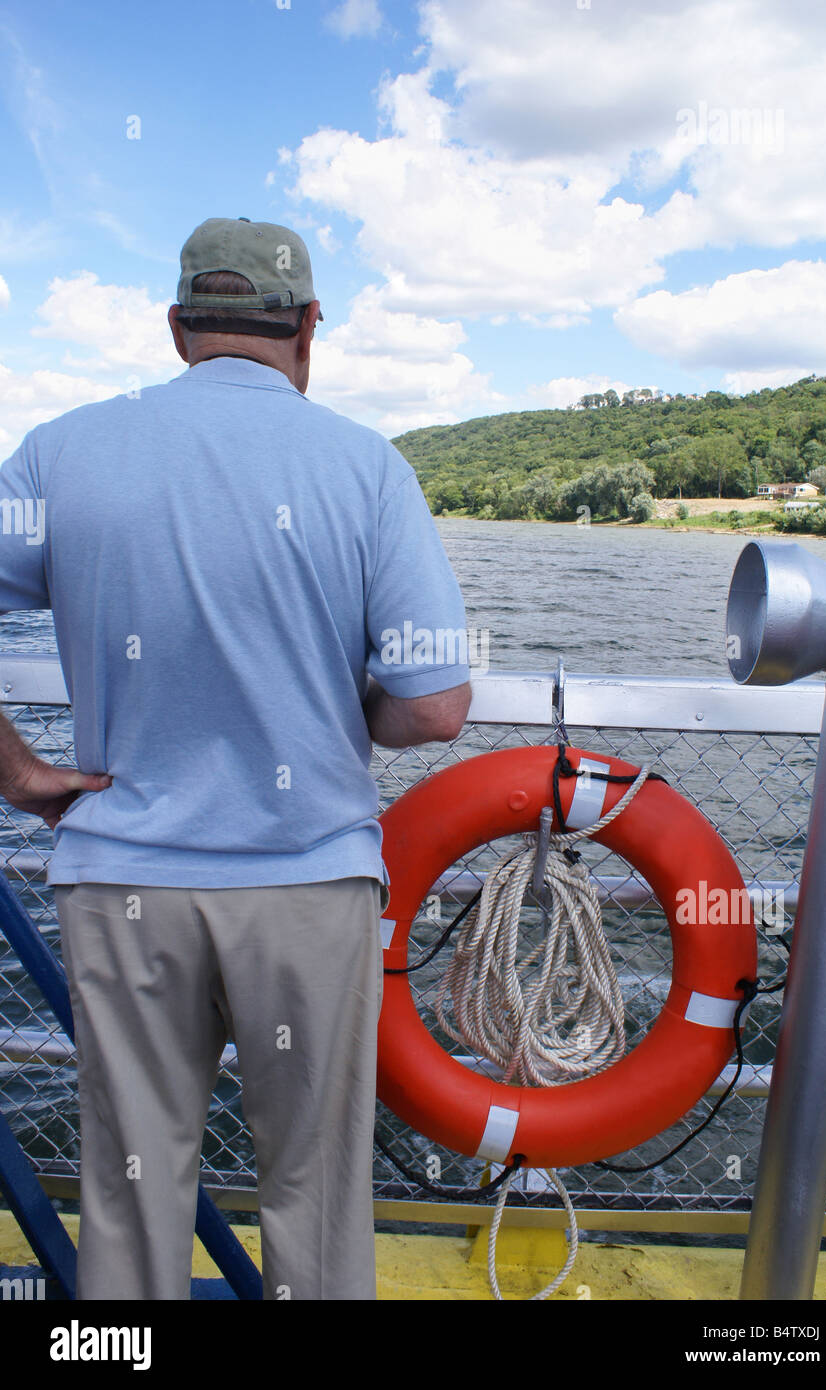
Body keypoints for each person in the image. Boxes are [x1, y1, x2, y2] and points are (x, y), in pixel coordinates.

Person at [0, 216, 472, 1300]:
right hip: (307, 881)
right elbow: (439, 706)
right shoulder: (367, 466)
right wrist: (351, 708)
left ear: (177, 330)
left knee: (128, 1191)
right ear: (309, 328)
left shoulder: (64, 447)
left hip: (121, 881)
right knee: (313, 1190)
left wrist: (21, 774)